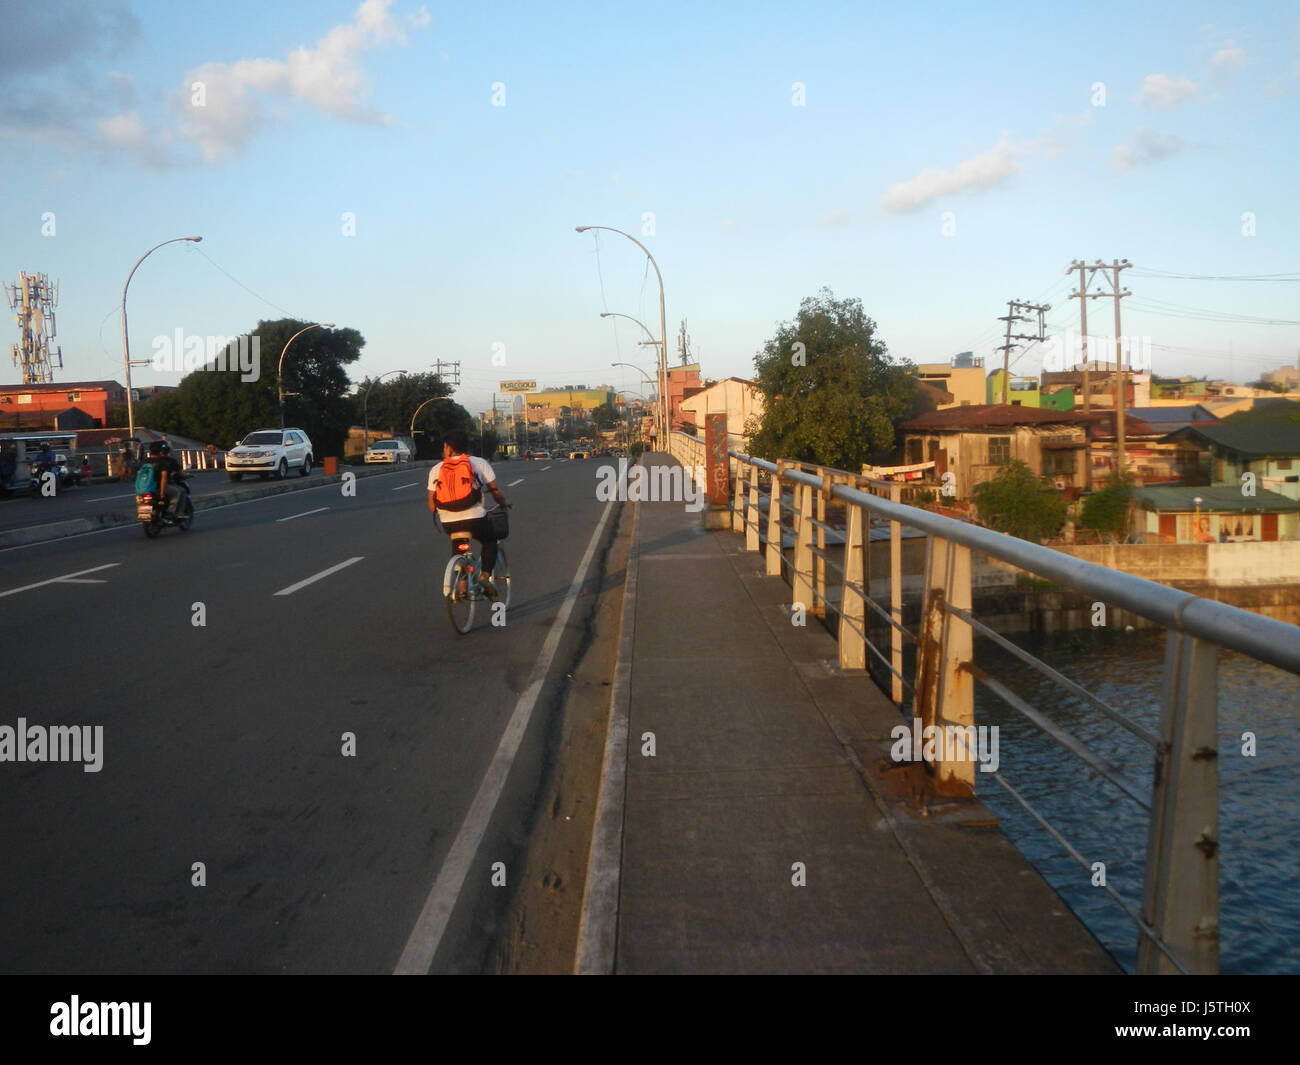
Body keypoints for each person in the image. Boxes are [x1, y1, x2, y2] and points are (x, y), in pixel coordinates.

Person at [427, 431, 509, 598]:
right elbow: (495, 491)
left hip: (449, 522)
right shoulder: (479, 463)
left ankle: (462, 587)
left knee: (458, 548)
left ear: (449, 449)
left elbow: (431, 506)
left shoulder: (437, 469)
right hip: (475, 519)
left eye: (444, 446)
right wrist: (503, 503)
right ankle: (484, 576)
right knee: (490, 541)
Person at [140, 440, 187, 516]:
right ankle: (173, 512)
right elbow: (164, 478)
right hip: (159, 487)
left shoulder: (145, 461)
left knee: (144, 503)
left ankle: (145, 515)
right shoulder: (166, 461)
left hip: (146, 488)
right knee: (179, 492)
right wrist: (162, 492)